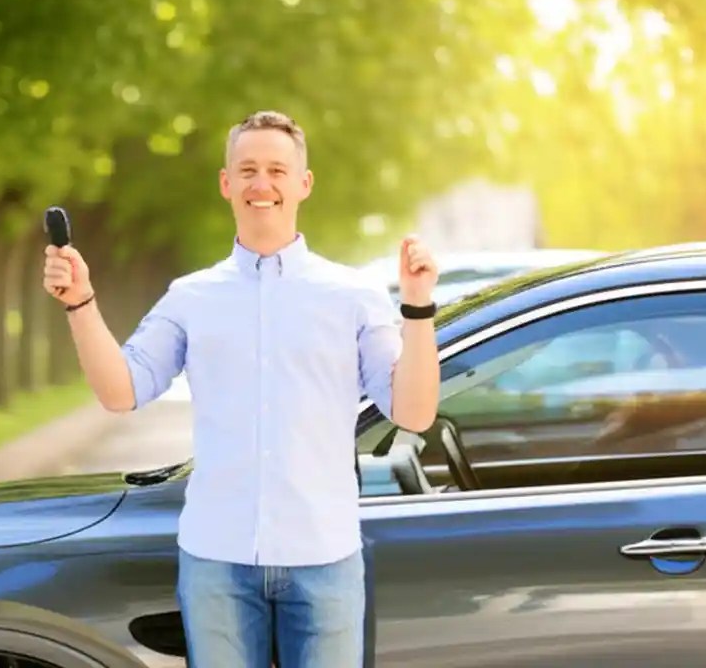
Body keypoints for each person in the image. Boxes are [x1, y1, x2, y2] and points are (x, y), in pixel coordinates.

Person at [41, 110, 440, 667]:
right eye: (247, 169)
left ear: (304, 183)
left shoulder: (354, 295)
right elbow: (121, 390)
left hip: (324, 557)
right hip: (217, 561)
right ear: (226, 183)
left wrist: (418, 308)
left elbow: (414, 412)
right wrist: (81, 303)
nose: (262, 184)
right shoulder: (190, 297)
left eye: (277, 169)